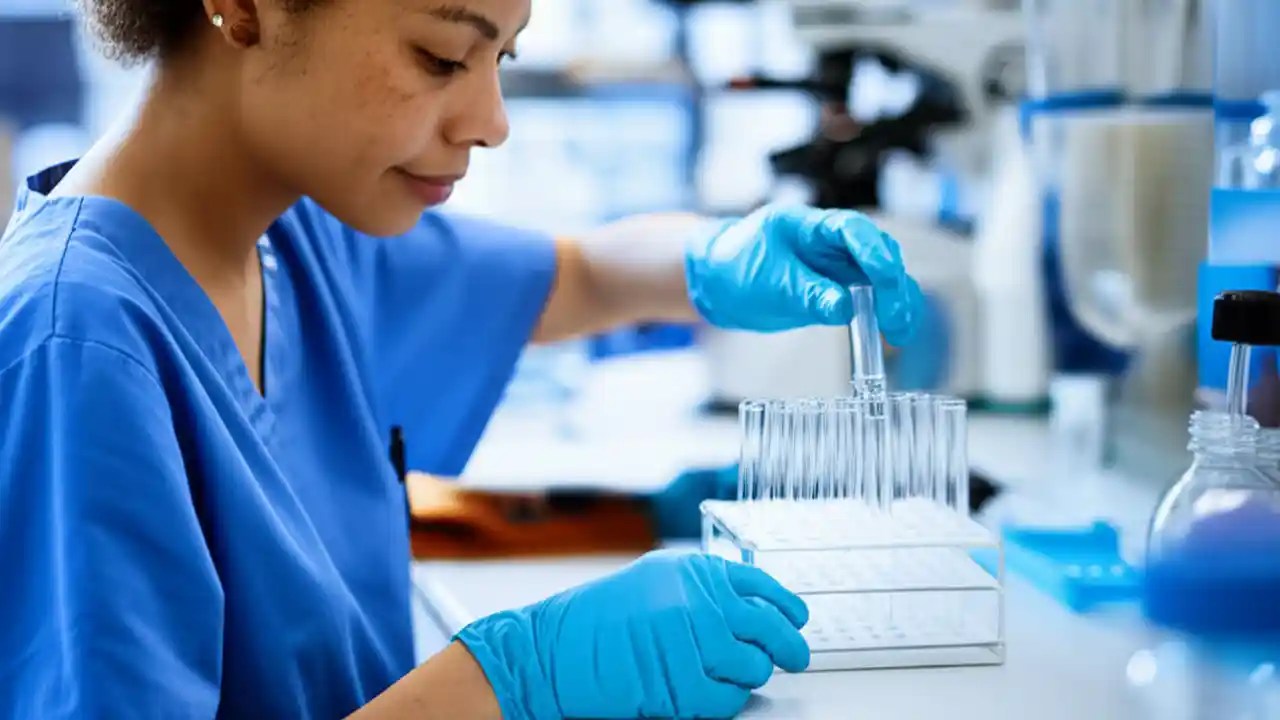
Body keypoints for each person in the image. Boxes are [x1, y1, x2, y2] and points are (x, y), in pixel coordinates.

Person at [0, 0, 923, 717]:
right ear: (245, 7)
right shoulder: (78, 348)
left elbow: (574, 278)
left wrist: (714, 261)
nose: (490, 120)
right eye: (443, 55)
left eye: (502, 58)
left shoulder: (297, 235)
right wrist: (511, 680)